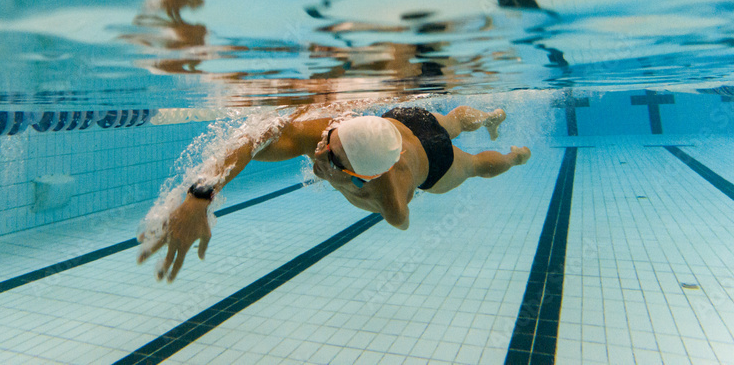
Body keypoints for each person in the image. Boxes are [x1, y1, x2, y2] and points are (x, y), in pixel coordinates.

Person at [138, 103, 531, 282]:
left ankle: (514, 156)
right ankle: (487, 116)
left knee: (476, 165)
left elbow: (402, 221)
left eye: (331, 159)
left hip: (433, 160)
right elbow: (255, 136)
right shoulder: (331, 133)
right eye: (327, 142)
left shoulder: (392, 193)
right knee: (452, 119)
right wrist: (199, 196)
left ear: (360, 177)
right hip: (405, 122)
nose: (319, 154)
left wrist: (358, 187)